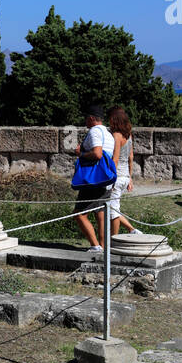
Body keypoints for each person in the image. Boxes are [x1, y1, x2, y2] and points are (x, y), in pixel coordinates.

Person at [74, 102, 115, 254]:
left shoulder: (94, 132)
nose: (85, 121)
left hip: (93, 180)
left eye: (86, 118)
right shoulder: (109, 134)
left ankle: (95, 245)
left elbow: (97, 154)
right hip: (106, 179)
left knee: (78, 213)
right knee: (100, 213)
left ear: (91, 118)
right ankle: (103, 247)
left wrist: (81, 154)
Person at [106, 106, 143, 237]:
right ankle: (132, 230)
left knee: (112, 211)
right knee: (112, 208)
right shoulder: (128, 135)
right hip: (125, 176)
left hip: (117, 177)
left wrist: (110, 178)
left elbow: (114, 160)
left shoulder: (116, 136)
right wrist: (130, 178)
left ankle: (113, 241)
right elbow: (131, 156)